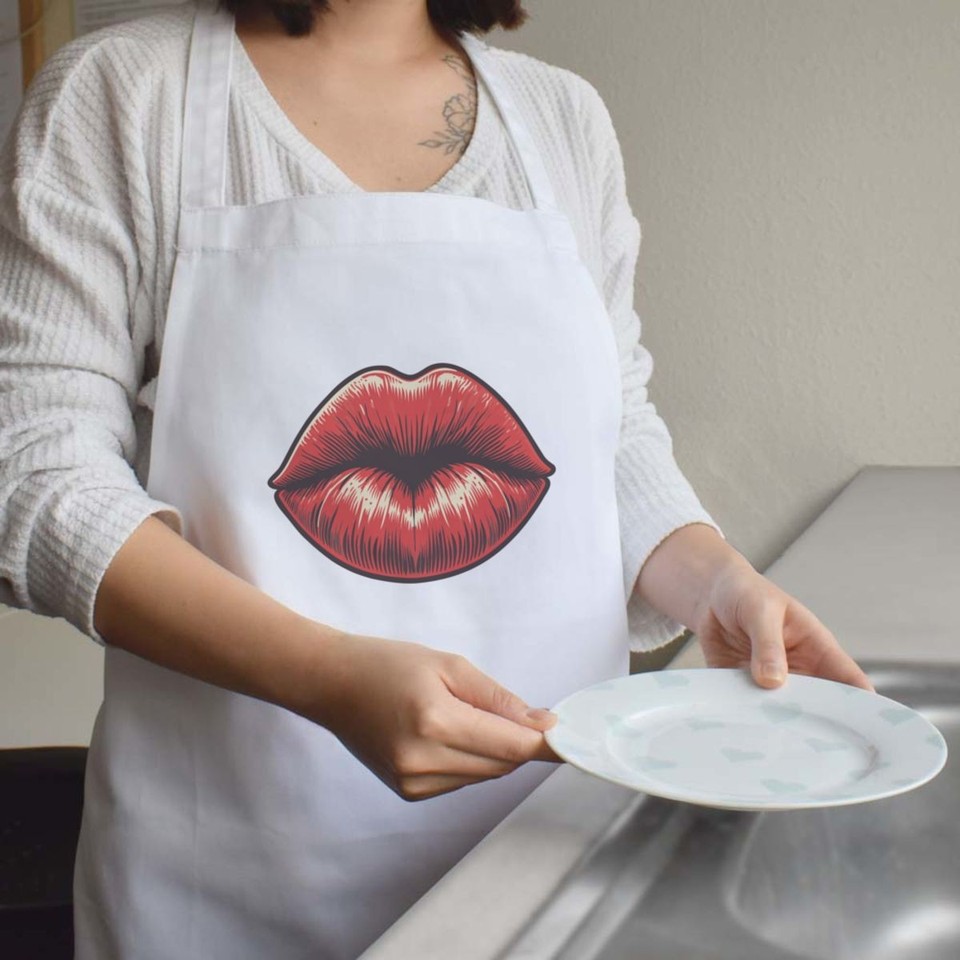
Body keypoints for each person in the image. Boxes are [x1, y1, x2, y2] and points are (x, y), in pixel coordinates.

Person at [0, 0, 873, 956]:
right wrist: (328, 677)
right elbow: (35, 472)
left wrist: (714, 582)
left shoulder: (564, 120)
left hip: (554, 869)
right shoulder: (122, 94)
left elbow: (609, 433)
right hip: (225, 900)